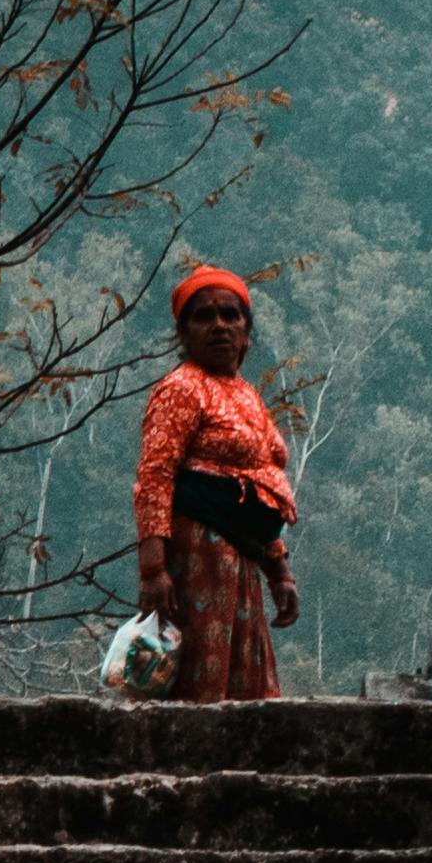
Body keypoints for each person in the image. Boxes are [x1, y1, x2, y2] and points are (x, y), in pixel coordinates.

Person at [132, 265, 299, 702]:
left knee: (243, 674)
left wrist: (279, 571)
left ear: (246, 332)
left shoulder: (246, 394)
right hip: (198, 553)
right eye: (204, 316)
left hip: (242, 557)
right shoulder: (182, 389)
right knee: (200, 673)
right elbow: (154, 476)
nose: (220, 326)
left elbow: (259, 482)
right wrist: (153, 569)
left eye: (231, 315)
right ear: (184, 333)